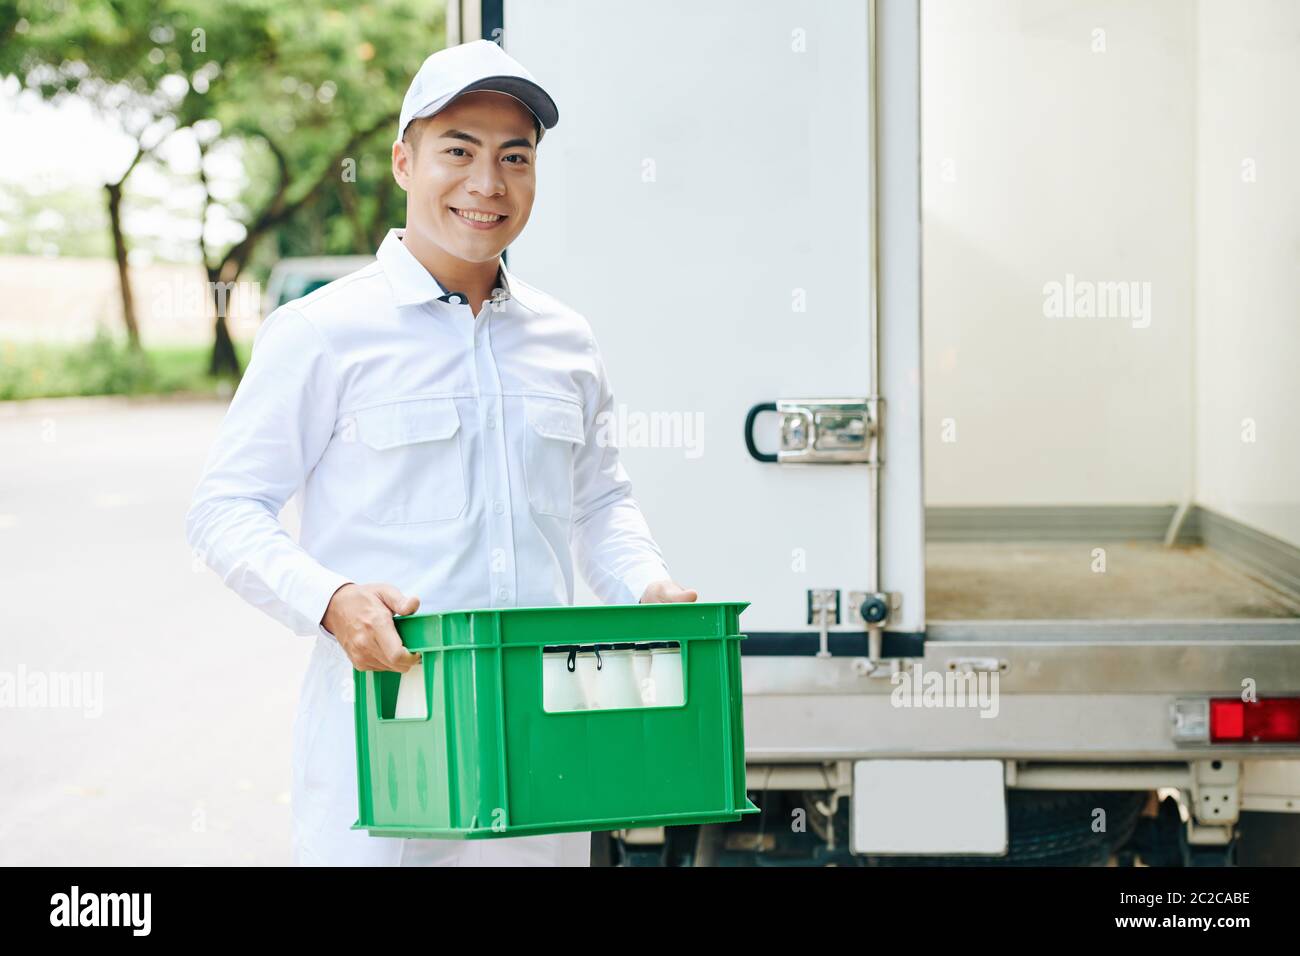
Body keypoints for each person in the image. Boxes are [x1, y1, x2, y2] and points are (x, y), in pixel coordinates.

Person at [185, 39, 696, 866]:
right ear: (403, 162)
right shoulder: (322, 332)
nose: (487, 183)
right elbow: (223, 511)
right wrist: (331, 599)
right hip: (381, 739)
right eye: (458, 151)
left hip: (542, 742)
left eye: (514, 157)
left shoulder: (566, 339)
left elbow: (601, 503)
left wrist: (647, 585)